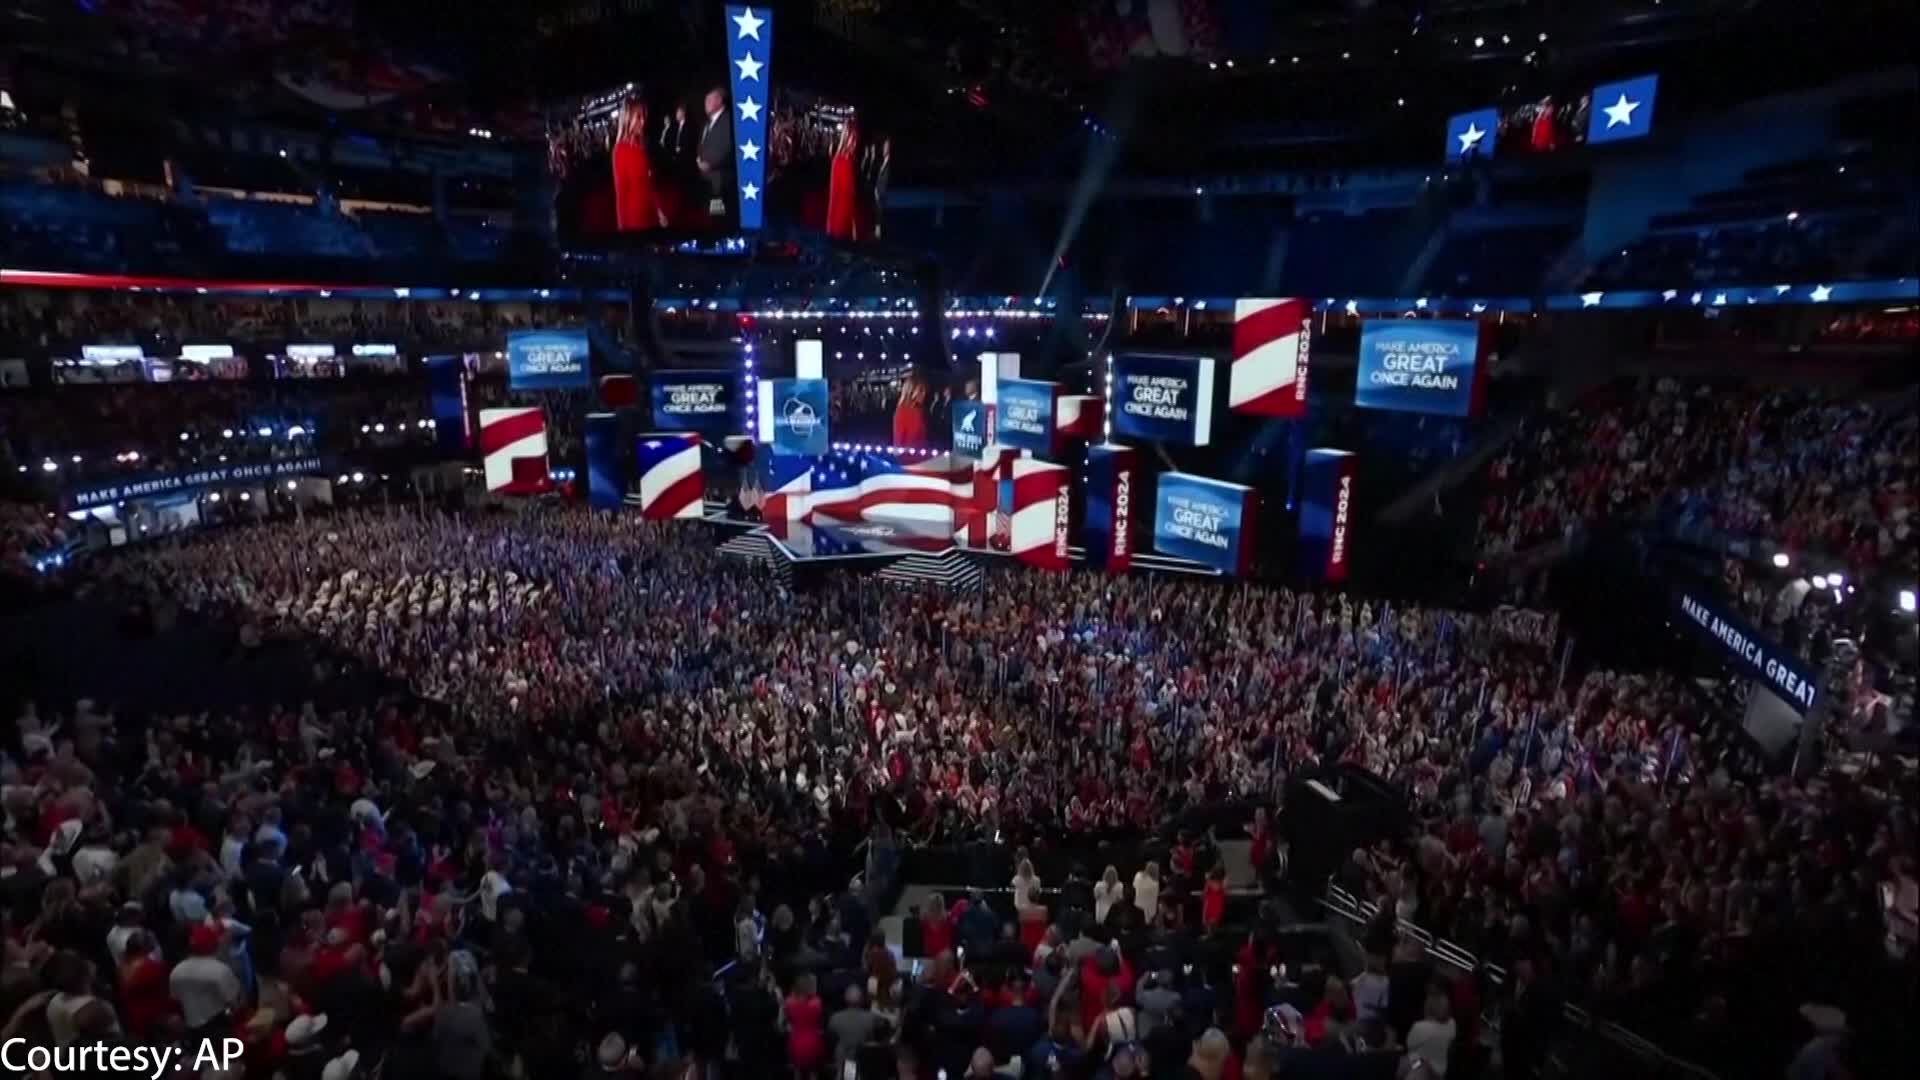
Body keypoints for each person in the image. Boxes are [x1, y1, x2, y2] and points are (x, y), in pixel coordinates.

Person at [612, 99, 662, 232]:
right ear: (628, 119)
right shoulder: (620, 150)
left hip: (650, 213)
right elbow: (621, 196)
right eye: (638, 117)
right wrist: (623, 229)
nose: (643, 122)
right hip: (636, 219)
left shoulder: (640, 146)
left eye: (644, 117)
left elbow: (649, 183)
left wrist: (659, 211)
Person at [694, 87, 732, 217]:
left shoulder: (728, 120)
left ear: (720, 100)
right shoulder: (706, 123)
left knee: (717, 216)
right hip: (706, 181)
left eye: (709, 99)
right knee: (707, 214)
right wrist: (698, 159)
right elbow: (702, 144)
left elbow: (727, 146)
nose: (706, 103)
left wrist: (710, 164)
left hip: (719, 183)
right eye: (705, 100)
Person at [1403, 986, 1456, 1078]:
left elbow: (1409, 1046)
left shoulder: (1421, 1027)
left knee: (1405, 1062)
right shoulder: (1452, 1024)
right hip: (1441, 1071)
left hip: (1420, 1066)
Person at [824, 121, 861, 241]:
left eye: (856, 139)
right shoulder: (840, 160)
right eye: (853, 138)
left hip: (846, 222)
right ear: (847, 138)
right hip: (840, 223)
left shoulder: (849, 160)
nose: (855, 143)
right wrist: (830, 227)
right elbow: (834, 195)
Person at [785, 972, 826, 1078]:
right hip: (813, 1040)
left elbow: (788, 1020)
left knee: (797, 1072)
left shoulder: (789, 1002)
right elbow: (819, 1020)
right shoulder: (816, 1002)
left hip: (796, 1040)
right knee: (813, 1073)